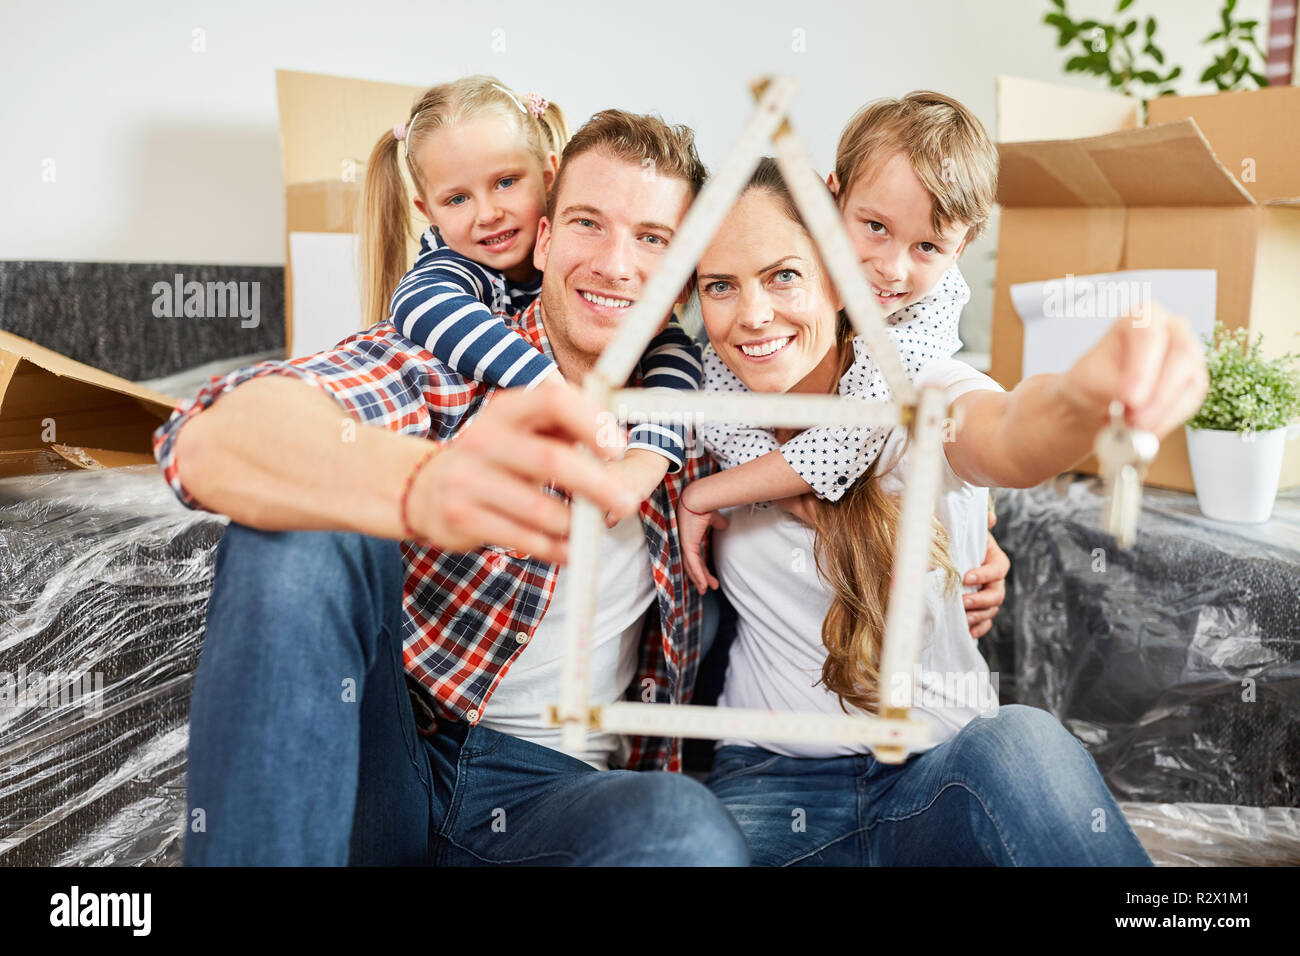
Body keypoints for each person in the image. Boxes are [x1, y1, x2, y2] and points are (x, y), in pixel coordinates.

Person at [155, 109, 753, 866]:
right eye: (587, 224)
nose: (615, 264)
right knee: (305, 522)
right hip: (388, 757)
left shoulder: (699, 428)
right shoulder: (451, 359)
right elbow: (211, 435)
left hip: (556, 802)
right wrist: (419, 484)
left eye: (653, 240)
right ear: (543, 240)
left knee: (687, 828)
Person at [681, 157, 1206, 866]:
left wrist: (1084, 399)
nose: (753, 316)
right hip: (773, 779)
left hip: (942, 769)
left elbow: (1011, 430)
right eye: (720, 286)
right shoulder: (697, 419)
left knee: (1022, 741)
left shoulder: (918, 387)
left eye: (784, 275)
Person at [682, 91, 1007, 640]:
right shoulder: (721, 355)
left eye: (927, 246)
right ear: (833, 200)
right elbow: (721, 417)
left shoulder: (919, 325)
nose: (889, 268)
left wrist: (973, 526)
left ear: (961, 246)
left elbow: (850, 441)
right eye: (875, 227)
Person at [362, 75, 701, 511]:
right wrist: (552, 391)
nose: (488, 214)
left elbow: (678, 350)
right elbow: (419, 305)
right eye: (457, 199)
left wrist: (650, 456)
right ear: (429, 214)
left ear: (547, 177)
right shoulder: (453, 266)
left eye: (505, 182)